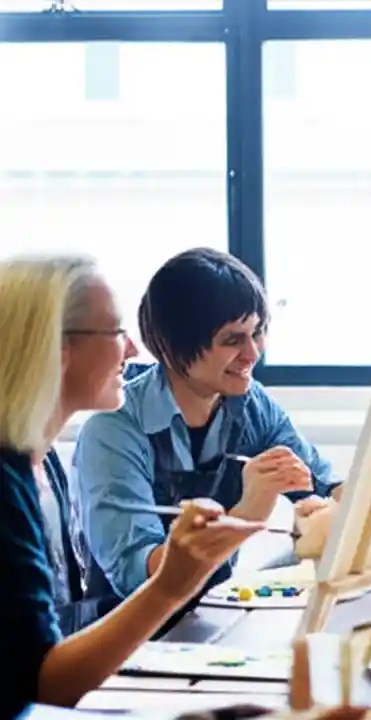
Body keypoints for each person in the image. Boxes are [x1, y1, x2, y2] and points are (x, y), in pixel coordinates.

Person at [0, 255, 259, 716]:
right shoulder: (7, 487)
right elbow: (41, 685)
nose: (133, 351)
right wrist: (170, 585)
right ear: (55, 350)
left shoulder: (40, 464)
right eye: (117, 332)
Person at [74, 248, 340, 602]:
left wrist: (338, 506)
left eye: (257, 333)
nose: (252, 353)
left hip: (211, 608)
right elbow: (140, 578)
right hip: (133, 635)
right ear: (171, 347)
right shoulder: (114, 430)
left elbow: (325, 482)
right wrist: (245, 514)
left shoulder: (251, 405)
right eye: (232, 340)